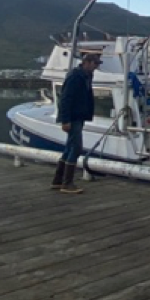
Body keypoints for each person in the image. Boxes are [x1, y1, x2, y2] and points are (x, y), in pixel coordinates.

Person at [51, 52, 100, 194]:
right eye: (95, 63)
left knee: (69, 147)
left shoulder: (86, 76)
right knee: (76, 147)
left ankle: (58, 180)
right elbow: (65, 99)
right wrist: (65, 120)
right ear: (87, 62)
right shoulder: (75, 76)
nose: (96, 67)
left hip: (79, 116)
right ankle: (67, 183)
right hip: (73, 117)